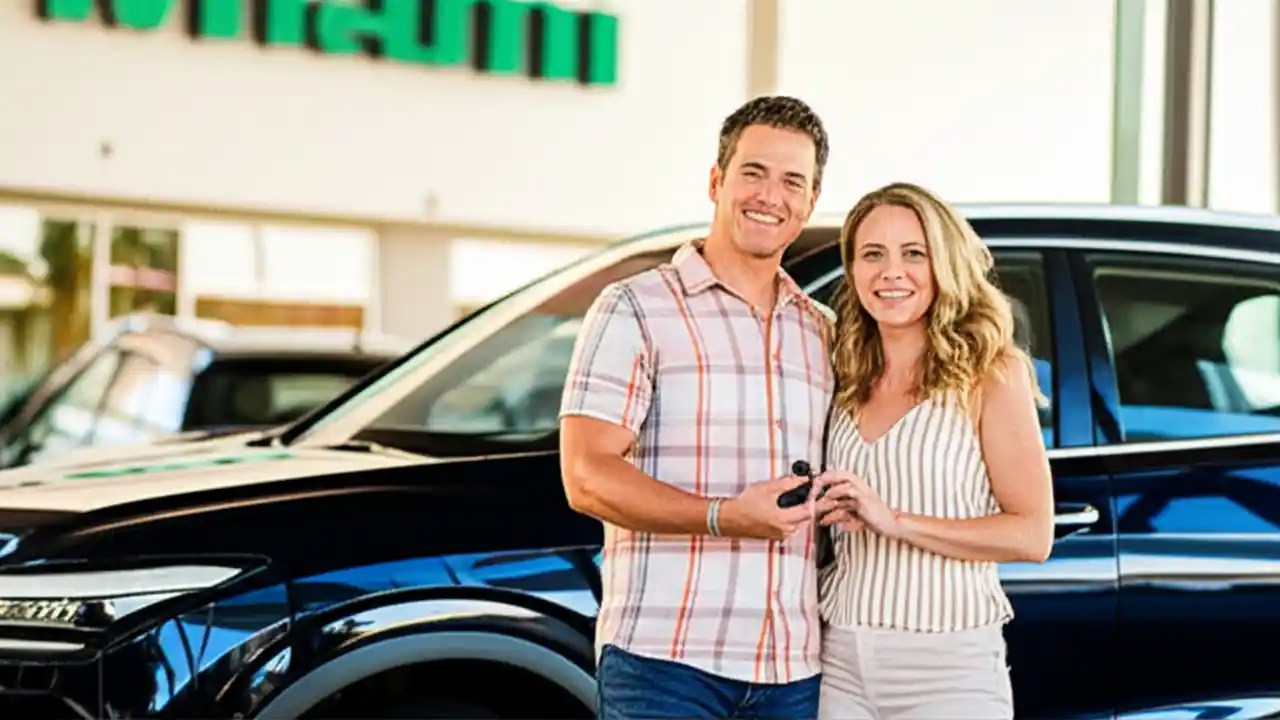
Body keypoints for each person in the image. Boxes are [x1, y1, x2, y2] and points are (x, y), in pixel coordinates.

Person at [559, 95, 839, 720]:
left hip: (792, 667)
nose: (772, 195)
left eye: (793, 181)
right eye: (754, 172)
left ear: (810, 202)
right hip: (667, 663)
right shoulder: (634, 307)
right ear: (716, 181)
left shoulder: (822, 330)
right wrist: (722, 517)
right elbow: (585, 476)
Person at [813, 182, 1055, 720]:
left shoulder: (991, 374)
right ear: (852, 270)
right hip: (841, 659)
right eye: (872, 254)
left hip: (949, 670)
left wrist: (895, 521)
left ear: (942, 263)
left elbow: (1032, 534)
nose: (891, 272)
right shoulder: (844, 372)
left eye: (913, 254)